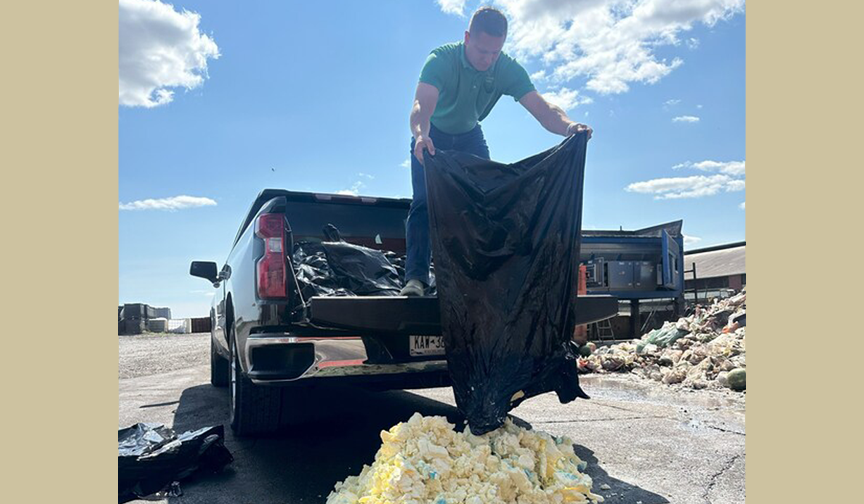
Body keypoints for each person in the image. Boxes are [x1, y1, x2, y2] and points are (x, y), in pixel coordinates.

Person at [401, 6, 592, 297]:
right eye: (481, 51)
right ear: (467, 37)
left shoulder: (505, 67)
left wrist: (570, 127)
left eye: (494, 53)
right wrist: (420, 136)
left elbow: (543, 109)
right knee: (426, 202)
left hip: (469, 136)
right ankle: (415, 278)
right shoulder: (441, 59)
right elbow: (421, 105)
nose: (487, 60)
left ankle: (473, 278)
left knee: (485, 202)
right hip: (432, 134)